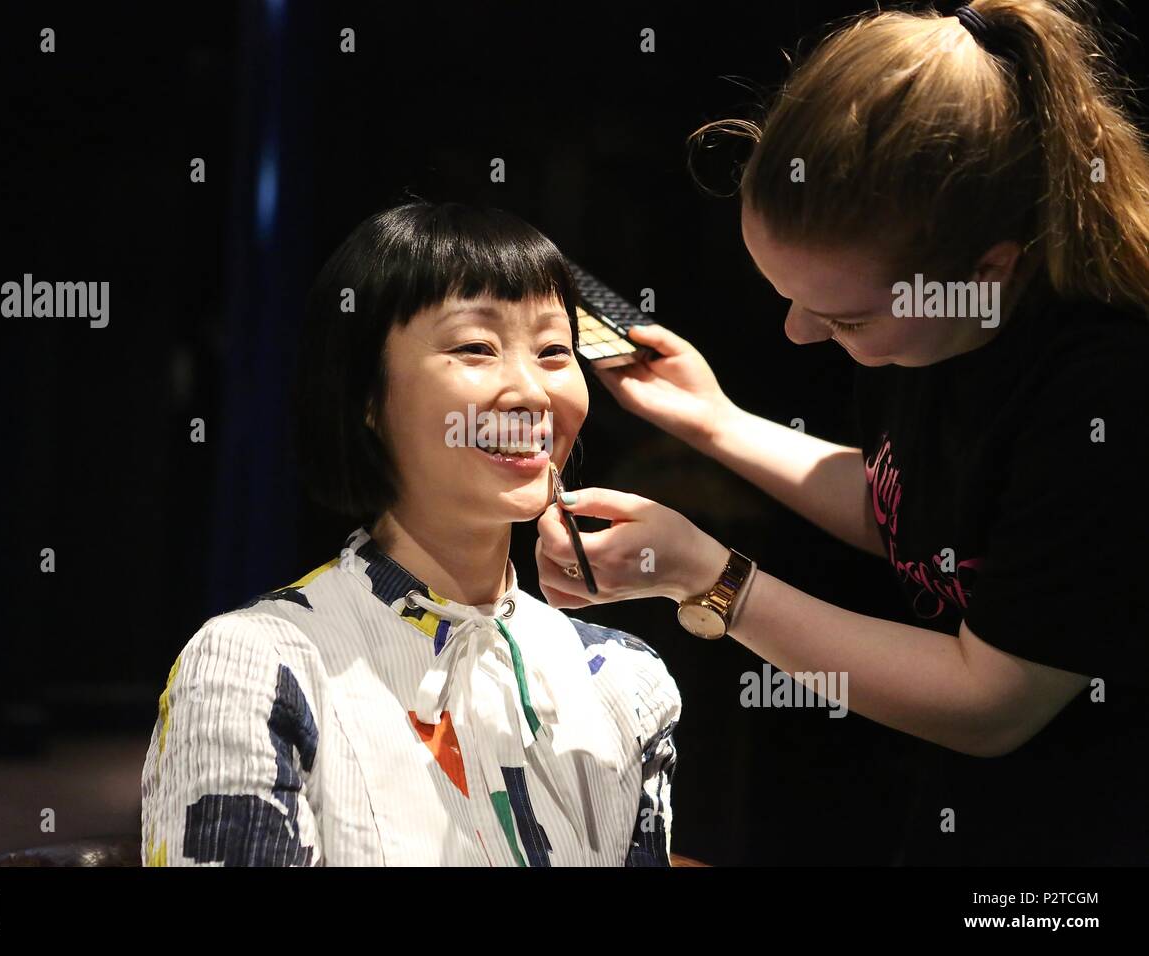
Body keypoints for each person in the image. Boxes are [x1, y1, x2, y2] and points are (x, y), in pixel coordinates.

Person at [535, 0, 1149, 864]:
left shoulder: (1107, 395)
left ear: (987, 271)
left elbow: (991, 701)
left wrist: (712, 581)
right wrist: (714, 421)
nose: (798, 332)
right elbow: (918, 509)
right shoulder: (944, 331)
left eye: (842, 317)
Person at [140, 202, 682, 866]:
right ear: (366, 396)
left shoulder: (627, 681)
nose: (533, 392)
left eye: (553, 351)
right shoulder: (259, 665)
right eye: (476, 347)